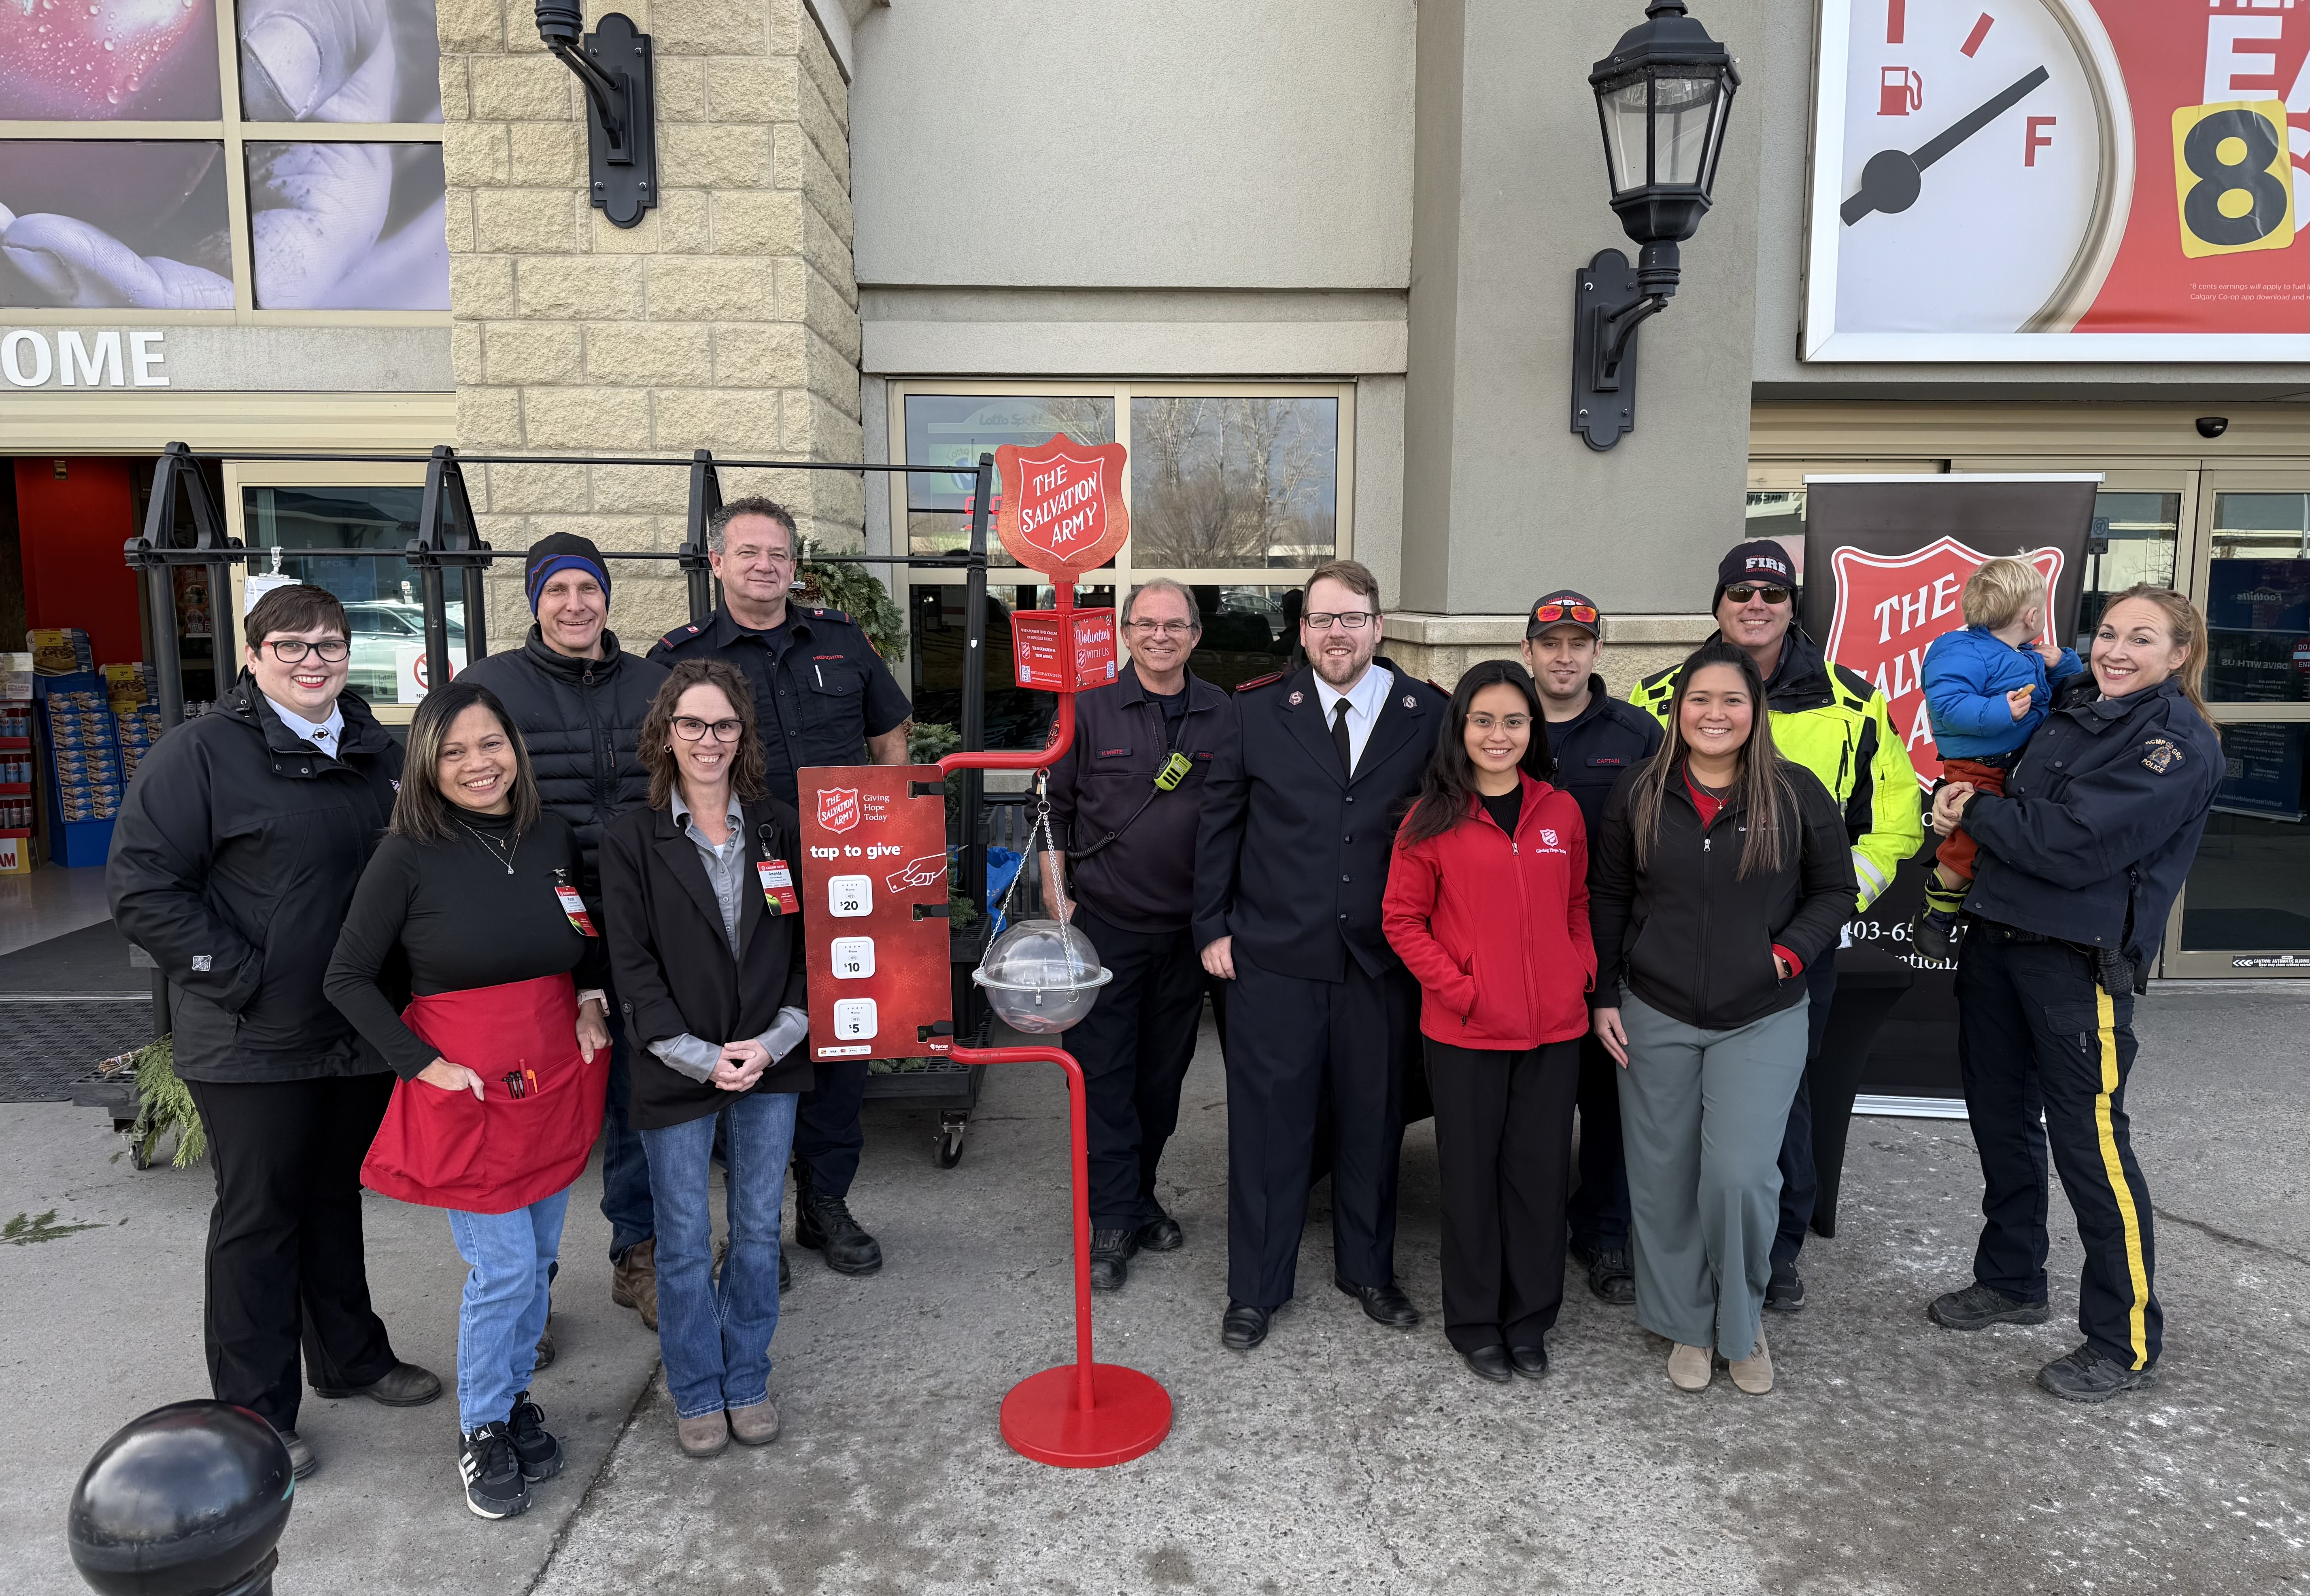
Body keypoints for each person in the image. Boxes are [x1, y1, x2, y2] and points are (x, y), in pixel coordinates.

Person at [107, 583, 441, 1481]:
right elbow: (143, 886)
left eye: (328, 643)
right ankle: (253, 1412)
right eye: (289, 645)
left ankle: (350, 1356)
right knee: (258, 1219)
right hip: (251, 1037)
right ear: (253, 658)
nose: (311, 660)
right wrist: (242, 978)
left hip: (358, 1029)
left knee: (332, 1197)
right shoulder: (200, 755)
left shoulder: (380, 751)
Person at [1923, 587, 2221, 1403]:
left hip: (2075, 964)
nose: (2116, 650)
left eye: (2141, 638)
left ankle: (2123, 1339)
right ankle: (2011, 1278)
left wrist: (1975, 809)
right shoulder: (2073, 706)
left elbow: (2073, 843)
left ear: (2180, 654)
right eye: (2109, 632)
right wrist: (1965, 803)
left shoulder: (2174, 740)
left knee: (2092, 1150)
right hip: (1998, 937)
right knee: (2000, 1120)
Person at [322, 680, 611, 1520]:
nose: (478, 764)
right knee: (506, 1268)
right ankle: (481, 1425)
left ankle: (514, 1399)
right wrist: (422, 1065)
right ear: (426, 764)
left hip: (550, 1078)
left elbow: (581, 934)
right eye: (453, 752)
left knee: (540, 1259)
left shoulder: (550, 834)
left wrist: (590, 996)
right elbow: (346, 977)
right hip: (470, 1091)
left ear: (515, 748)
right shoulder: (405, 854)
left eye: (491, 744)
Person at [1631, 540, 1921, 1312]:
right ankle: (1685, 1252)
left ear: (1794, 605)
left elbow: (1895, 819)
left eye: (1772, 593)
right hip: (1679, 949)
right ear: (1717, 603)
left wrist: (1814, 921)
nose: (1755, 605)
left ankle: (1777, 1247)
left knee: (1781, 1101)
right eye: (1739, 591)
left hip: (1788, 951)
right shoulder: (1659, 695)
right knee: (1673, 1108)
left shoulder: (1853, 701)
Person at [1194, 559, 1450, 1352]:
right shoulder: (1256, 712)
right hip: (1275, 958)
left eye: (1351, 618)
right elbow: (1220, 824)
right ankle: (1256, 1287)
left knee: (1374, 1123)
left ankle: (1367, 1270)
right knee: (1267, 1130)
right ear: (1301, 631)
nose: (1336, 633)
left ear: (1378, 626)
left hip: (1381, 962)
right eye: (1322, 619)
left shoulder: (1427, 713)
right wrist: (1211, 927)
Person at [651, 498, 909, 1280]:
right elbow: (663, 768)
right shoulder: (680, 659)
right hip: (737, 877)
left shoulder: (839, 639)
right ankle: (754, 1220)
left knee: (842, 1039)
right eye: (747, 552)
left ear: (794, 566)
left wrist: (888, 834)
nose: (764, 565)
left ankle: (824, 1204)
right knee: (747, 1037)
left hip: (842, 874)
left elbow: (889, 738)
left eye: (778, 553)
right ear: (717, 562)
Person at [1592, 641, 1856, 1395]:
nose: (1714, 714)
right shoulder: (1640, 790)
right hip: (1654, 1009)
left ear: (1755, 709)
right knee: (1664, 1180)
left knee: (1738, 1177)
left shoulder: (1796, 792)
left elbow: (1834, 891)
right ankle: (1685, 1320)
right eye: (1699, 699)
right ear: (1678, 709)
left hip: (1760, 1014)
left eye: (1731, 700)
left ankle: (1740, 1324)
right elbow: (1608, 896)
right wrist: (1604, 993)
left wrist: (1785, 957)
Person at [600, 660, 814, 1458]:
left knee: (757, 1232)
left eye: (723, 724)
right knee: (685, 1239)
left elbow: (810, 947)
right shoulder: (631, 837)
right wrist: (698, 1056)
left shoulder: (780, 828)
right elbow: (631, 966)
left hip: (770, 1059)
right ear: (665, 733)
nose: (708, 739)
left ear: (742, 733)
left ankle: (746, 1377)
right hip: (675, 1064)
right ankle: (696, 1388)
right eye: (690, 723)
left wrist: (774, 1040)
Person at [461, 532, 672, 1333]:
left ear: (607, 597)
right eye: (557, 590)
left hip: (641, 927)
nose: (575, 604)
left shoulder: (655, 684)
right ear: (534, 601)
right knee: (534, 1110)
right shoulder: (489, 688)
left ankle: (638, 1255)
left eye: (589, 588)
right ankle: (529, 1283)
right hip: (534, 935)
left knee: (641, 1102)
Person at [1383, 660, 1592, 1384]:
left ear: (1532, 729)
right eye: (1482, 720)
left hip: (1553, 1032)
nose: (1497, 735)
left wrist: (1578, 972)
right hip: (1465, 1032)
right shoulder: (1428, 818)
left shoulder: (1560, 812)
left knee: (1538, 1180)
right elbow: (1401, 920)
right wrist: (1461, 990)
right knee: (1470, 1182)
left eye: (1512, 720)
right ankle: (1474, 1323)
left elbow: (1576, 904)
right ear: (1460, 728)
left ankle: (1529, 1321)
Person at [1041, 578, 1228, 1291]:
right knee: (1105, 1079)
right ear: (1124, 632)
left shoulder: (1223, 713)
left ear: (1195, 635)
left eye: (1174, 625)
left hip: (1187, 935)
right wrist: (1058, 902)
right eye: (1146, 624)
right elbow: (1051, 811)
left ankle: (1138, 1193)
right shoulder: (1085, 708)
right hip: (1106, 929)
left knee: (1160, 1082)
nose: (1160, 636)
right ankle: (1113, 1219)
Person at [1522, 588, 1662, 1305]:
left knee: (1611, 1102)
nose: (1563, 657)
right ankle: (1529, 1227)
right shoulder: (1500, 723)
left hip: (1608, 947)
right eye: (1550, 644)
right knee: (1532, 1105)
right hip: (1519, 949)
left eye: (1577, 644)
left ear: (1598, 650)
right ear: (1528, 651)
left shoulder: (1637, 733)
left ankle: (1605, 1232)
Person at [1910, 558, 2085, 959]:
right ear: (2032, 616)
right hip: (1977, 767)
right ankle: (1937, 911)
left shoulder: (2025, 653)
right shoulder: (1959, 650)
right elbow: (1946, 707)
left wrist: (2065, 664)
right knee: (1972, 838)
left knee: (2019, 837)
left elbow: (2063, 690)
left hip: (2019, 765)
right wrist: (2000, 711)